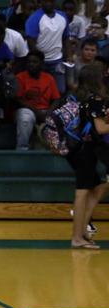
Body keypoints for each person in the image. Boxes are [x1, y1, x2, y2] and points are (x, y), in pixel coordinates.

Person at [69, 65, 109, 249]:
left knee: (97, 186)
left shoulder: (82, 97)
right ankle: (77, 237)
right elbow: (101, 129)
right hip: (87, 150)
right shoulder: (96, 99)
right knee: (82, 192)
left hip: (79, 148)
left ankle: (82, 231)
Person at [24, 0, 70, 94]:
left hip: (57, 60)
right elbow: (31, 42)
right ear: (40, 1)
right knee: (42, 91)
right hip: (41, 62)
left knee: (60, 90)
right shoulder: (34, 18)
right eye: (46, 1)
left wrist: (69, 55)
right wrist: (37, 61)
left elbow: (66, 37)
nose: (49, 4)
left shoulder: (62, 16)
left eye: (52, 1)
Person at [13, 51, 61, 151]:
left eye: (35, 62)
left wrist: (49, 112)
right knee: (25, 118)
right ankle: (22, 149)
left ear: (41, 64)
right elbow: (18, 99)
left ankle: (56, 149)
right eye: (29, 62)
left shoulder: (49, 78)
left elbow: (56, 98)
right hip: (27, 110)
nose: (31, 64)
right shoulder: (20, 77)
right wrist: (36, 112)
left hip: (46, 110)